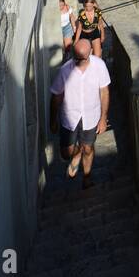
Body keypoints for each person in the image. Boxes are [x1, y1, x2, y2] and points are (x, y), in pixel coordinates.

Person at [49, 38, 110, 189]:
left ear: (90, 53)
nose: (78, 61)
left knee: (88, 148)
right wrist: (53, 119)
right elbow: (56, 96)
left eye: (81, 58)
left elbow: (104, 92)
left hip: (91, 115)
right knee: (66, 153)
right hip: (70, 117)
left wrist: (103, 118)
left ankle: (87, 178)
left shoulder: (99, 66)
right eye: (76, 57)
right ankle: (76, 154)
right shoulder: (65, 70)